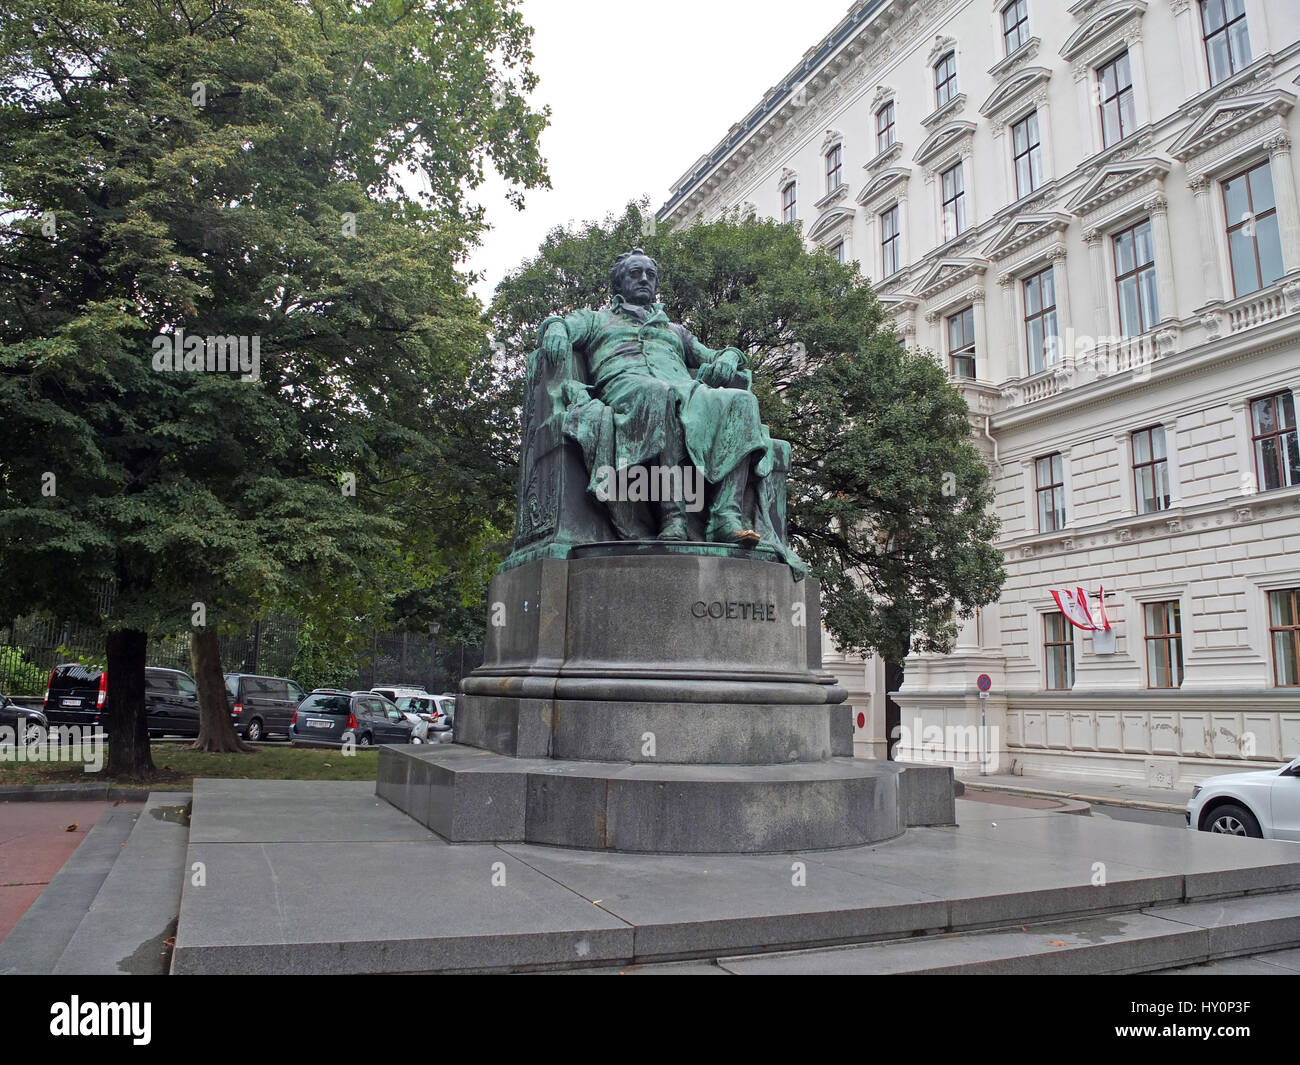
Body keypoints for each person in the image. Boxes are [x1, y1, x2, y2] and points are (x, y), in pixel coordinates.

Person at [536, 249, 775, 545]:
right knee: (658, 395)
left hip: (683, 389)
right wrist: (556, 328)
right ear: (619, 284)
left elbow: (712, 355)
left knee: (742, 401)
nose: (644, 279)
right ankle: (672, 517)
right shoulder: (597, 320)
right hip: (625, 387)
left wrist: (730, 356)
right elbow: (563, 325)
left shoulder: (675, 330)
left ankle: (726, 516)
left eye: (650, 275)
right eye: (635, 274)